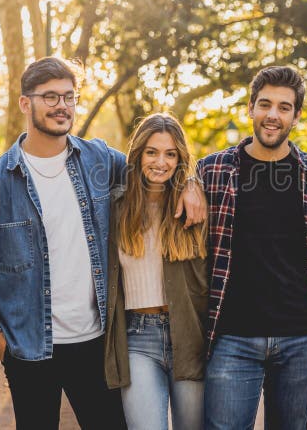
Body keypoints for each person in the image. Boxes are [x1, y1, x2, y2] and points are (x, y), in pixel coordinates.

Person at [0, 57, 204, 429]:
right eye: (50, 96)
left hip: (95, 344)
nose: (62, 106)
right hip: (29, 349)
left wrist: (192, 181)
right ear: (26, 103)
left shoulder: (99, 160)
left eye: (69, 97)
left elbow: (158, 165)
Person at [197, 66, 307, 430]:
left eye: (284, 107)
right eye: (265, 104)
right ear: (250, 108)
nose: (273, 115)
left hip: (301, 337)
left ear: (296, 116)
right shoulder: (211, 171)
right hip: (232, 336)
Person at [104, 113, 208, 430]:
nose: (160, 162)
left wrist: (194, 182)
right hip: (137, 338)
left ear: (180, 159)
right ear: (138, 155)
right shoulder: (115, 208)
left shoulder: (194, 205)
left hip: (190, 336)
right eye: (152, 152)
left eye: (170, 153)